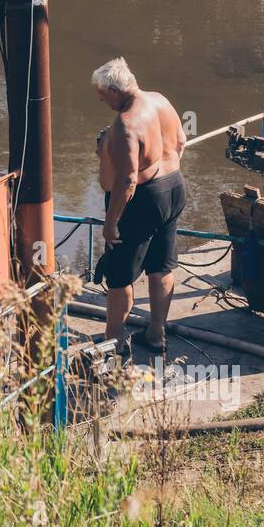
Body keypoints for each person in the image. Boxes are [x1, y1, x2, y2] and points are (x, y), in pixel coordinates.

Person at [91, 58, 187, 351]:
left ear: (115, 90)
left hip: (142, 201)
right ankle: (157, 333)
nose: (100, 98)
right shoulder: (160, 100)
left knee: (120, 276)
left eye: (102, 93)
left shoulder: (124, 124)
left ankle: (114, 341)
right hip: (174, 188)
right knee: (161, 266)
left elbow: (128, 181)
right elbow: (181, 141)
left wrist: (110, 224)